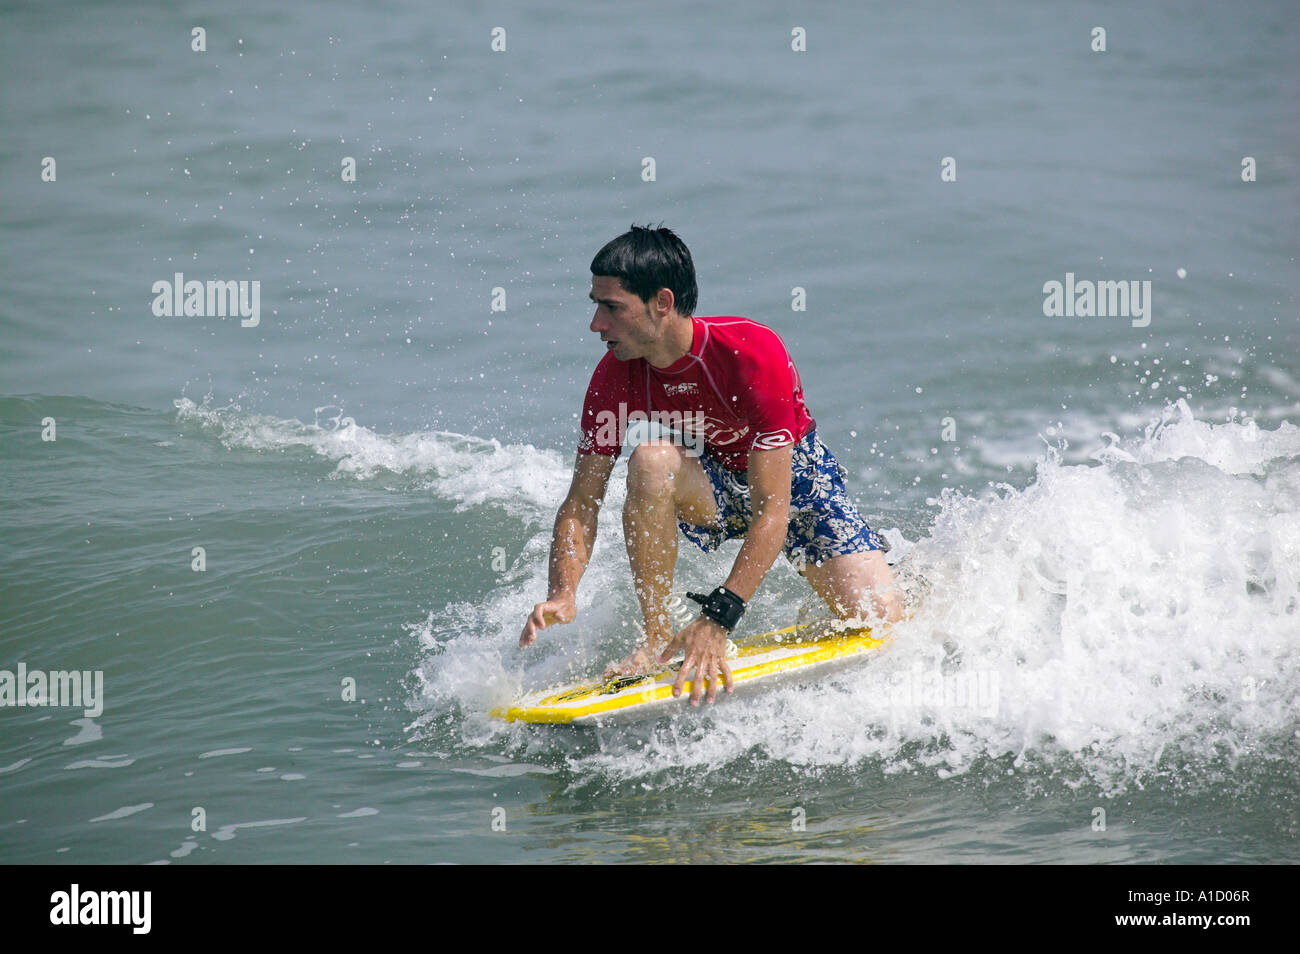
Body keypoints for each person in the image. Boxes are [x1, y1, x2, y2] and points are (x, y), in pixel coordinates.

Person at [519, 225, 901, 706]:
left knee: (884, 623)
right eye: (595, 305)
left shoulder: (750, 354)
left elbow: (774, 509)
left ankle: (901, 574)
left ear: (662, 301)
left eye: (611, 307)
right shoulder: (614, 378)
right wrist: (563, 592)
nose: (596, 323)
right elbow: (581, 501)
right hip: (715, 479)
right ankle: (657, 637)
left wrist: (718, 619)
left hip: (796, 485)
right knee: (651, 459)